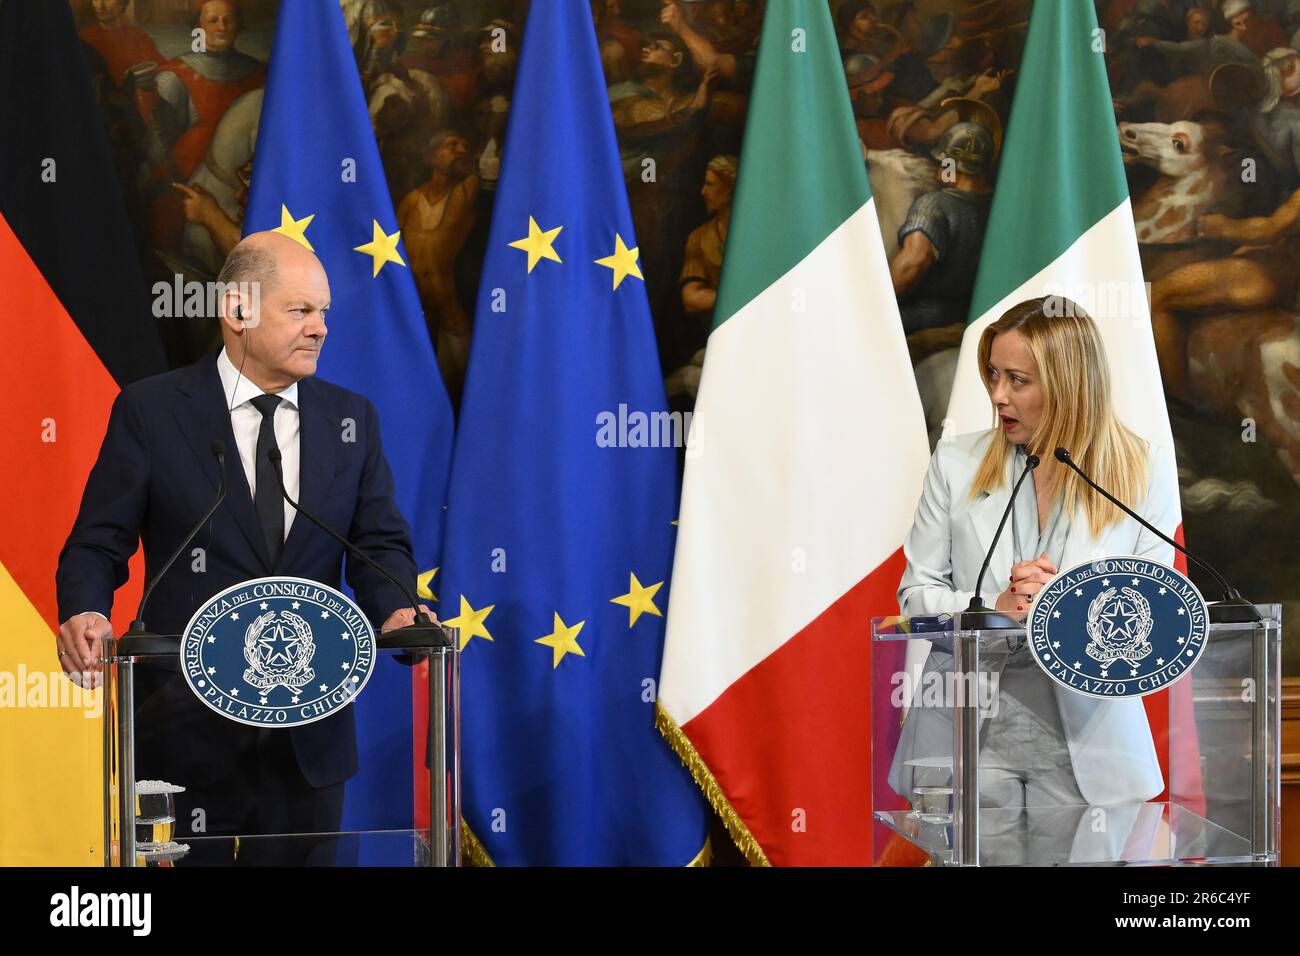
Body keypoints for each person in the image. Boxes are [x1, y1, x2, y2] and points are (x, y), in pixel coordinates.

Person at [55, 232, 433, 848]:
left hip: (307, 743)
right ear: (237, 312)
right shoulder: (152, 412)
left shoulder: (350, 419)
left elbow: (379, 543)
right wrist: (86, 610)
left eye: (324, 313)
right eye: (300, 311)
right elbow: (98, 543)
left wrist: (395, 605)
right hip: (184, 735)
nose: (320, 329)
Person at [889, 297, 1177, 847]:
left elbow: (1156, 614)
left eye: (1017, 379)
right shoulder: (956, 463)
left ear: (1068, 384)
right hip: (967, 733)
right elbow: (915, 595)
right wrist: (988, 610)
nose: (998, 396)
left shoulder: (1141, 470)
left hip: (1089, 738)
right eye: (993, 375)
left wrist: (1068, 605)